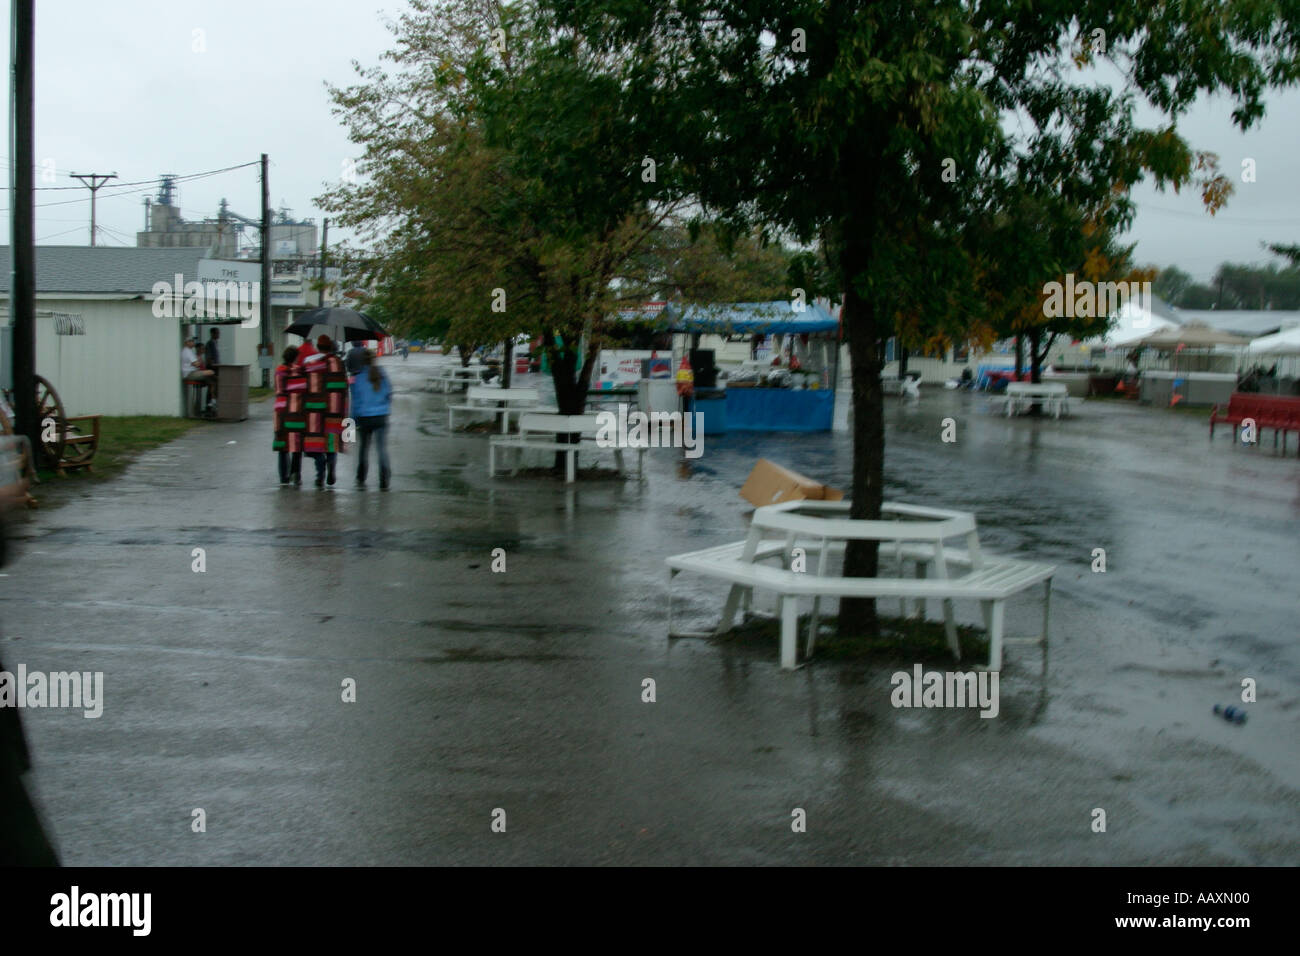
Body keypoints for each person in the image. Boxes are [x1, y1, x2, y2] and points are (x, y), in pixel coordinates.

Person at [303, 335, 348, 488]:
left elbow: (305, 385)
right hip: (334, 410)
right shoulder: (339, 363)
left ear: (318, 346)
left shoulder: (311, 362)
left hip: (314, 409)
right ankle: (331, 468)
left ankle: (320, 472)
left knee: (314, 443)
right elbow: (344, 387)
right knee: (331, 442)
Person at [350, 350, 393, 489]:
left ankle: (361, 476)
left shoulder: (356, 378)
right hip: (381, 416)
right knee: (381, 448)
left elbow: (355, 402)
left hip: (364, 417)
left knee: (364, 448)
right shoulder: (382, 374)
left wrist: (352, 423)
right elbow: (389, 394)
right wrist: (384, 407)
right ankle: (384, 478)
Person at [272, 346, 304, 486]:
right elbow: (302, 388)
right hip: (295, 408)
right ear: (295, 357)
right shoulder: (298, 370)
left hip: (280, 409)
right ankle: (296, 473)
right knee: (296, 444)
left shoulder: (279, 370)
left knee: (282, 444)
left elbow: (277, 388)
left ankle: (283, 477)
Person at [181, 336, 215, 415]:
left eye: (193, 341)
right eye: (191, 341)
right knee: (211, 372)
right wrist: (200, 361)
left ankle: (212, 400)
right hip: (190, 373)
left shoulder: (189, 351)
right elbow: (196, 364)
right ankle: (212, 401)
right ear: (187, 343)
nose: (193, 342)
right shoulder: (187, 352)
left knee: (212, 379)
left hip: (192, 372)